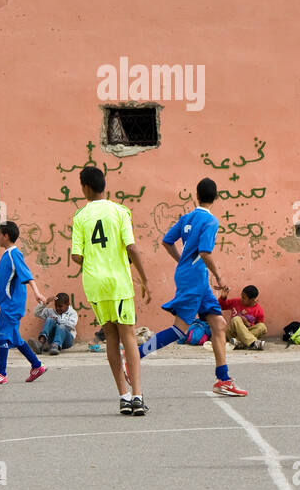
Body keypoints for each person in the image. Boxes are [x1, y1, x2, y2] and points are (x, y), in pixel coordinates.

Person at [137, 177, 247, 397]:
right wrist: (219, 277)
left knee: (218, 324)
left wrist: (181, 261)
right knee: (180, 329)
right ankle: (135, 354)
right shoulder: (211, 221)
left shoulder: (187, 217)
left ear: (196, 195)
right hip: (195, 279)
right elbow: (205, 251)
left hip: (196, 278)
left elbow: (167, 241)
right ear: (216, 197)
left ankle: (223, 379)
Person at [70, 166, 150, 415]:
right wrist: (145, 279)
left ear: (85, 187)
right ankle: (137, 395)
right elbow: (132, 248)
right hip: (119, 282)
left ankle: (123, 396)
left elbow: (76, 256)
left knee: (110, 337)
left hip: (95, 283)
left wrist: (94, 264)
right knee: (129, 336)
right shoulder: (120, 211)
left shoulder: (80, 216)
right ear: (104, 185)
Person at [0, 221, 48, 384]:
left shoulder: (14, 254)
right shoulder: (6, 256)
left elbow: (27, 275)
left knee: (2, 336)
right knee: (16, 339)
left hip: (12, 305)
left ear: (6, 236)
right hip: (8, 305)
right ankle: (37, 365)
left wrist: (37, 292)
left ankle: (1, 373)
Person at [219, 285, 266, 351]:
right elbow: (221, 306)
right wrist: (223, 298)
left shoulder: (258, 310)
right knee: (236, 318)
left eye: (244, 298)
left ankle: (238, 342)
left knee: (262, 327)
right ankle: (253, 343)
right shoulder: (236, 302)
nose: (241, 299)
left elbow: (257, 327)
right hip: (232, 333)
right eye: (241, 296)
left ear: (252, 300)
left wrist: (247, 324)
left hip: (240, 336)